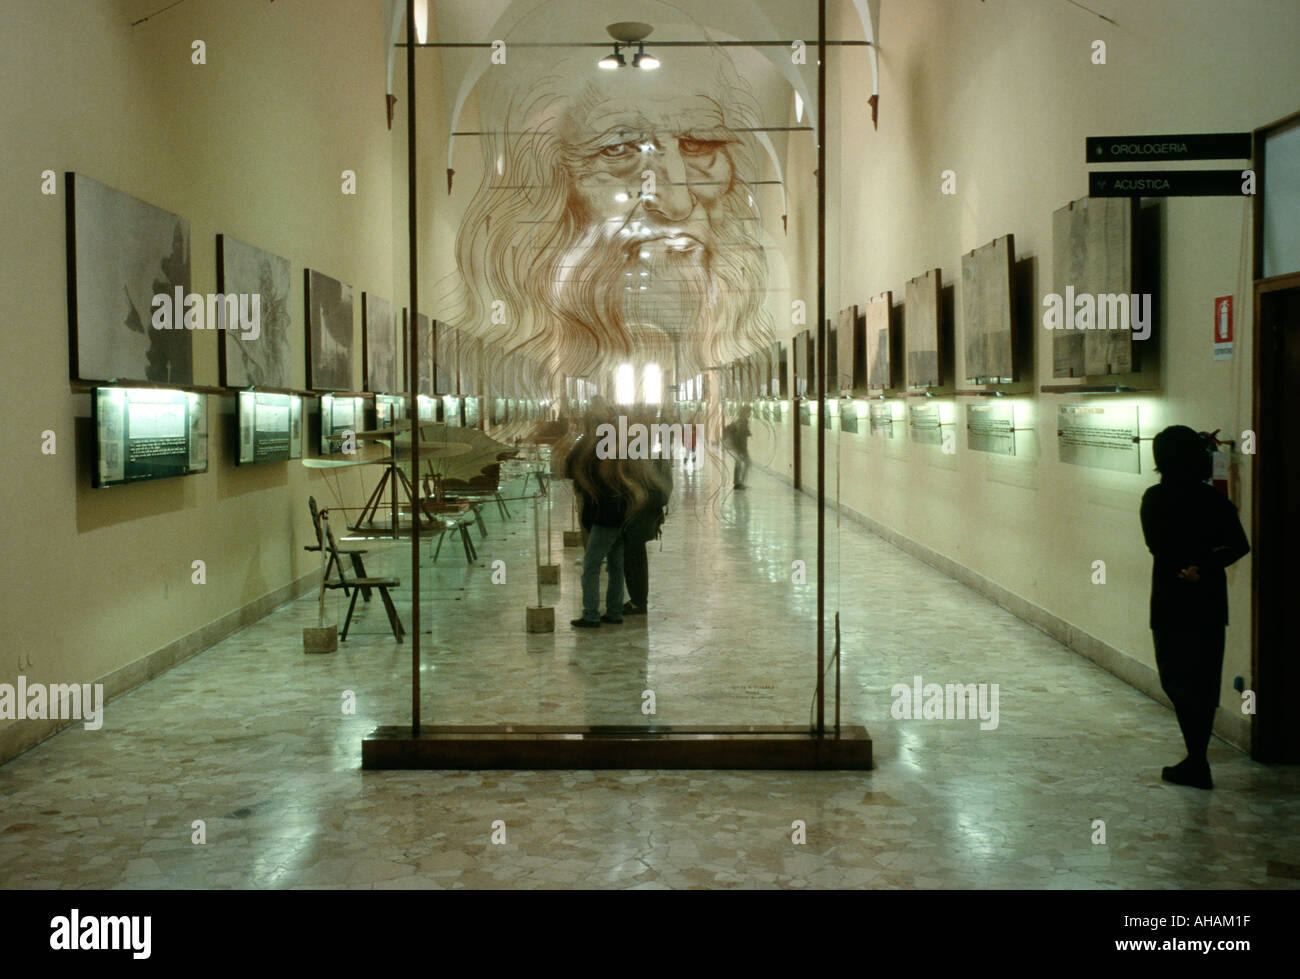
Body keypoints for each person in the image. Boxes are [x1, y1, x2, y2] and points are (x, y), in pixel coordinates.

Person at [1139, 426, 1250, 789]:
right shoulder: (1212, 499)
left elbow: (1157, 544)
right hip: (1207, 599)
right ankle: (1197, 758)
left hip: (1172, 597)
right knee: (1204, 679)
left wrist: (1185, 568)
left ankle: (1197, 760)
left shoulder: (1155, 496)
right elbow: (1238, 545)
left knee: (1175, 676)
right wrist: (1204, 566)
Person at [622, 421, 673, 616]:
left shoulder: (651, 461)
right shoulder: (654, 458)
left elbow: (657, 491)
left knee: (634, 559)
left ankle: (638, 601)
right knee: (636, 558)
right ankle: (638, 599)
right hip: (644, 515)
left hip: (641, 516)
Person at [723, 405, 752, 489]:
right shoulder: (743, 421)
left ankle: (737, 483)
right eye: (749, 411)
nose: (750, 413)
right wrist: (742, 449)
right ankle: (740, 483)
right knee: (747, 463)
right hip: (740, 447)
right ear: (746, 412)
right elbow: (740, 435)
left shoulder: (739, 420)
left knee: (739, 464)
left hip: (736, 446)